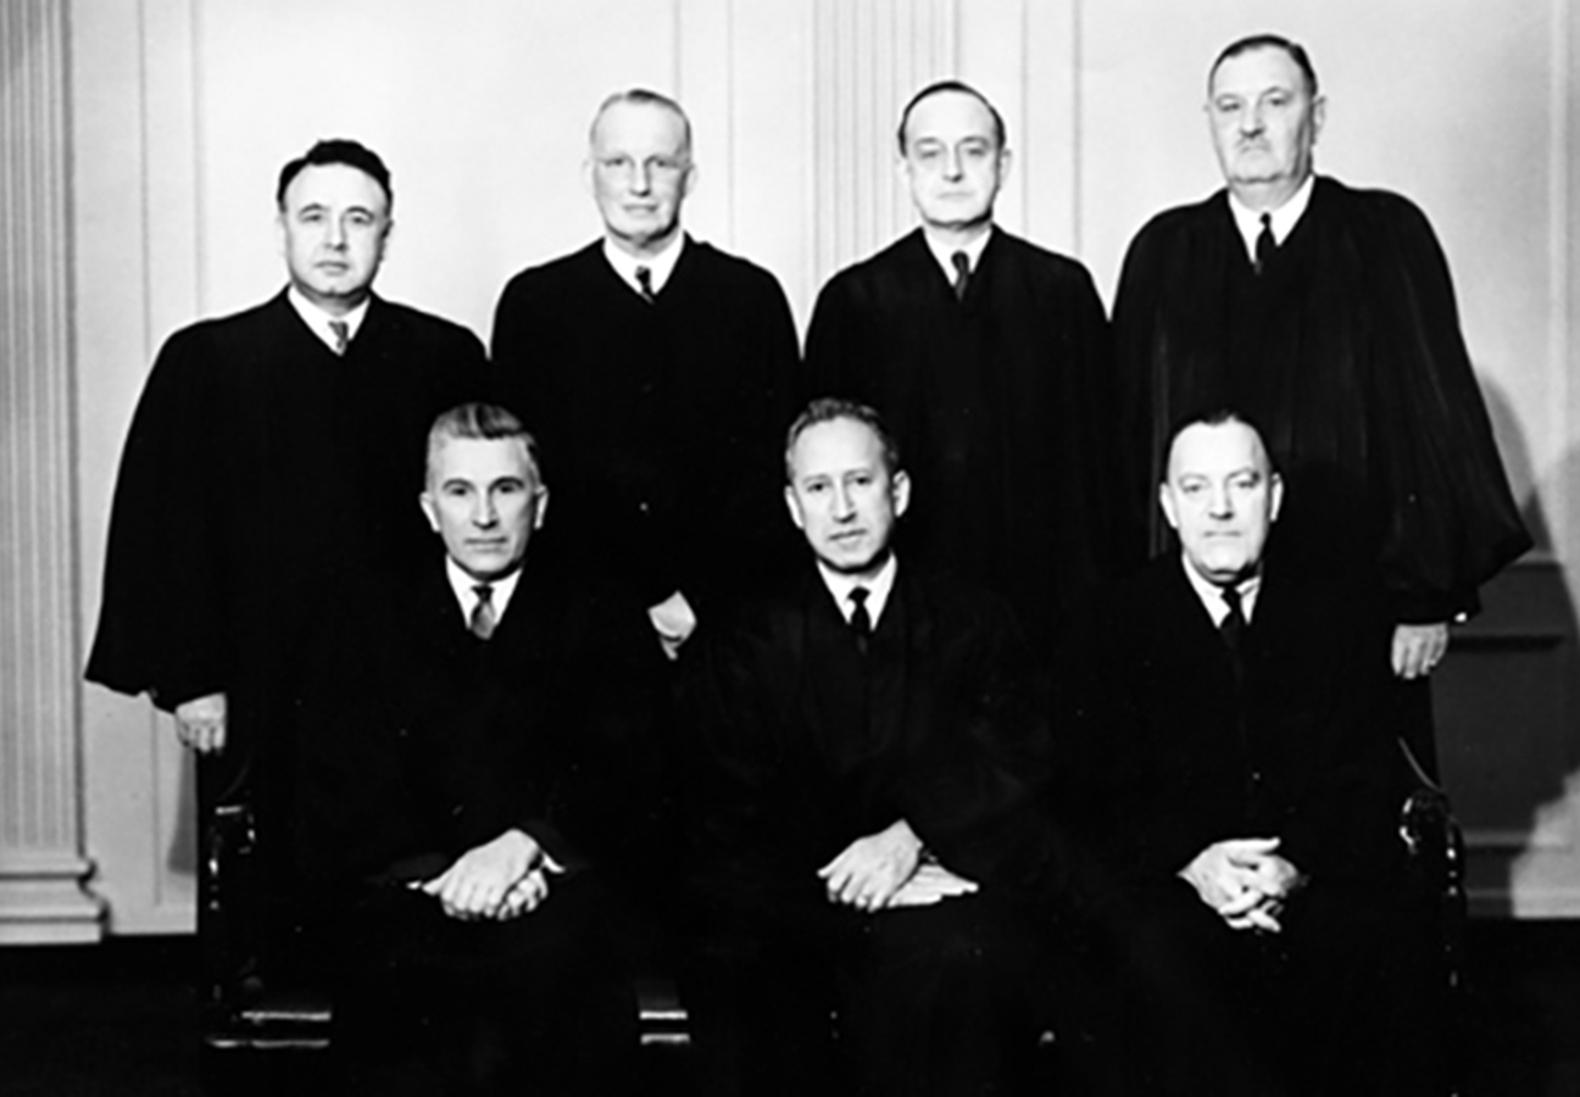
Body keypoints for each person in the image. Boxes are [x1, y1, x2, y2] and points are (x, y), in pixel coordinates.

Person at [1111, 34, 1530, 770]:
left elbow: (1436, 419)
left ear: (1317, 115)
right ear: (1208, 118)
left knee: (1352, 827)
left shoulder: (1385, 236)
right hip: (1203, 608)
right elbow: (1127, 438)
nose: (1251, 125)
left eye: (1276, 102)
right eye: (1231, 107)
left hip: (1360, 609)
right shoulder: (1164, 251)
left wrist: (1426, 596)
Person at [680, 397, 1080, 1097]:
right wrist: (848, 879)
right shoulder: (744, 636)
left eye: (860, 482)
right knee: (749, 980)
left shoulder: (972, 618)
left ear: (898, 491)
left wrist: (915, 837)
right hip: (794, 901)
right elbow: (718, 801)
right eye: (818, 487)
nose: (841, 508)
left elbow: (1018, 758)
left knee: (971, 969)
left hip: (941, 892)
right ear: (792, 504)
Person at [1071, 412, 1440, 1097]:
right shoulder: (1112, 621)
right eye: (1197, 487)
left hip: (1310, 873)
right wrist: (1195, 864)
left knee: (1370, 949)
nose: (1219, 508)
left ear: (1273, 498)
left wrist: (1289, 865)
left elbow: (1363, 772)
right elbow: (1097, 793)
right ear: (1168, 505)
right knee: (1157, 957)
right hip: (1173, 882)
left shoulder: (1338, 612)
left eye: (1241, 484)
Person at [295, 403, 660, 1095]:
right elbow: (342, 778)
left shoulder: (600, 613)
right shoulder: (364, 616)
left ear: (540, 504)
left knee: (563, 986)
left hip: (556, 888)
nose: (484, 516)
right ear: (430, 508)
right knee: (405, 997)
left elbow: (629, 772)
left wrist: (525, 846)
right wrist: (451, 874)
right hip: (410, 889)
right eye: (460, 492)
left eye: (507, 489)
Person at [87, 137, 486, 758]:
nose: (335, 240)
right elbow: (162, 531)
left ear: (387, 235)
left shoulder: (444, 356)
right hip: (258, 691)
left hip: (419, 685)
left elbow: (487, 516)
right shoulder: (206, 361)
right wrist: (192, 680)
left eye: (359, 220)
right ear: (282, 231)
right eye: (314, 217)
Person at [803, 79, 1115, 661]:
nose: (952, 171)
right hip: (903, 622)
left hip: (1040, 614)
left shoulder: (1061, 292)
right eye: (930, 153)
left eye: (973, 150)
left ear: (1004, 163)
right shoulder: (854, 301)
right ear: (903, 169)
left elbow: (1092, 479)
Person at [490, 88, 800, 660]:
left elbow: (773, 471)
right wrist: (630, 603)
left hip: (729, 622)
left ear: (691, 177)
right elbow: (525, 481)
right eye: (618, 163)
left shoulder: (750, 298)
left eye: (660, 163)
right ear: (590, 175)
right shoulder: (536, 305)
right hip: (581, 629)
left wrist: (698, 598)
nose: (639, 184)